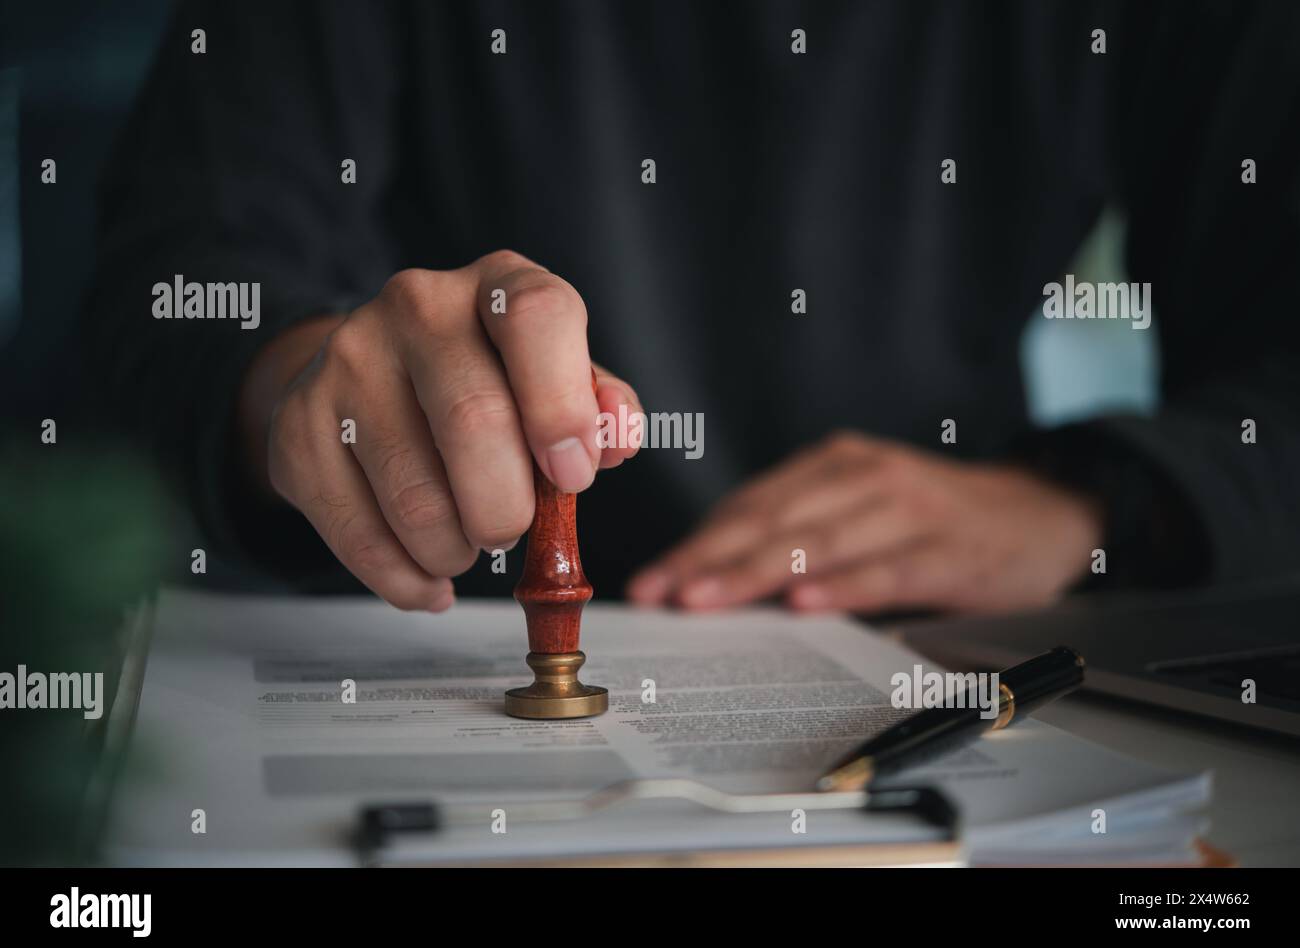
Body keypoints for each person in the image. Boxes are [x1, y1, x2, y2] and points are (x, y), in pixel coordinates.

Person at [89, 1, 1300, 617]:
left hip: (949, 643)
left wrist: (1096, 504)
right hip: (415, 627)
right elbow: (177, 279)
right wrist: (299, 386)